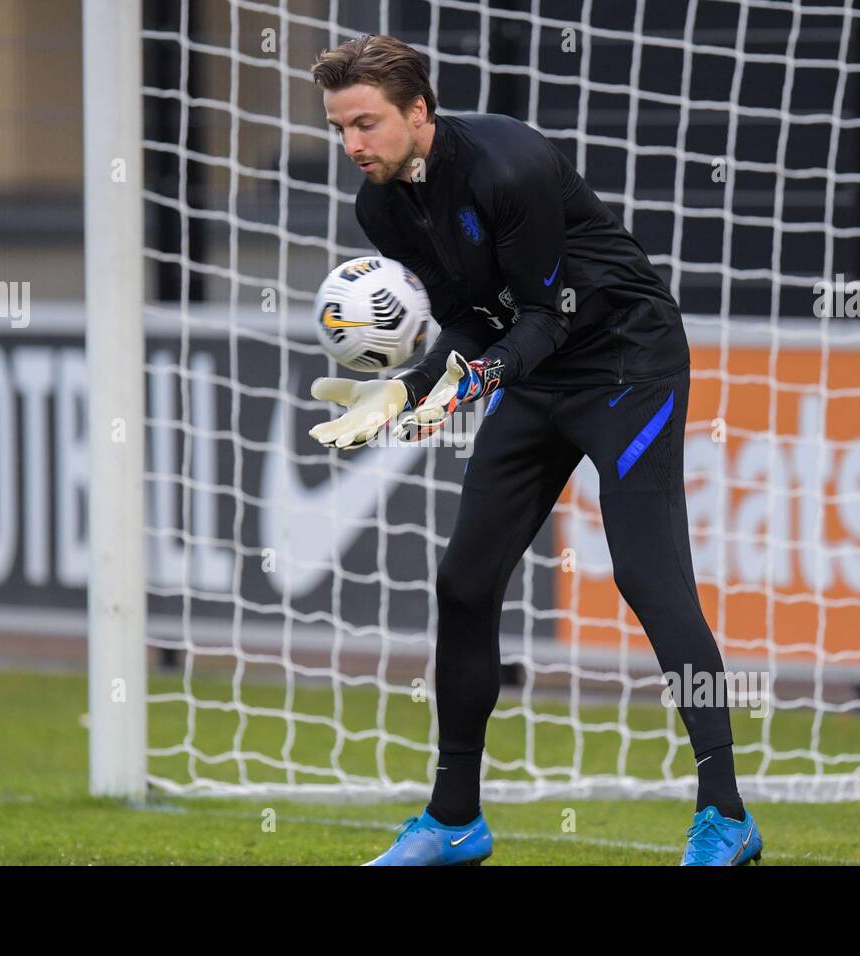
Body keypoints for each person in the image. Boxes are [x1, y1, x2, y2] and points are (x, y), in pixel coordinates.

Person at [308, 34, 762, 867]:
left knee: (648, 577)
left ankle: (725, 816)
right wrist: (407, 390)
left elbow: (548, 314)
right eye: (339, 128)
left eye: (365, 124)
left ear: (418, 112)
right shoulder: (379, 207)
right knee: (465, 579)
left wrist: (470, 385)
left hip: (628, 363)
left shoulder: (507, 164)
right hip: (538, 373)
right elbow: (471, 320)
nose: (352, 147)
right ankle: (453, 822)